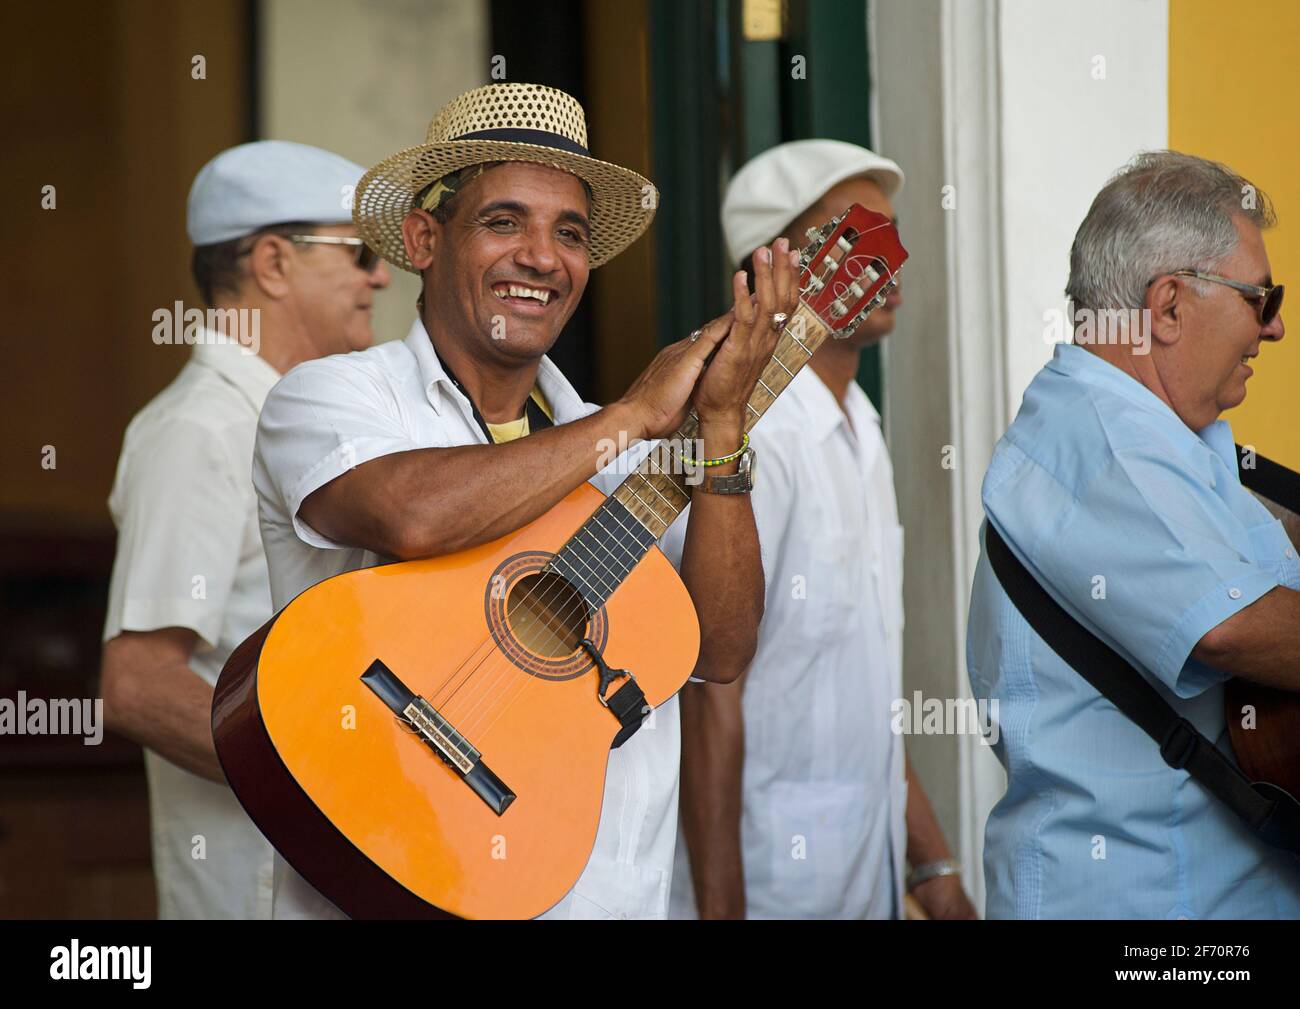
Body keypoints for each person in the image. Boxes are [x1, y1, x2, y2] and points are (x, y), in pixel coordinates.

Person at [250, 82, 799, 919]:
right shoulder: (331, 398)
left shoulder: (621, 459)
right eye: (504, 221)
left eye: (569, 234)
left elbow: (719, 650)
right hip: (399, 883)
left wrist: (720, 426)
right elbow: (414, 516)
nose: (542, 258)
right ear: (423, 238)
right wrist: (632, 418)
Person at [967, 150, 1300, 918]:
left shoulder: (1162, 437)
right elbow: (1231, 625)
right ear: (1170, 305)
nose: (1275, 326)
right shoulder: (1101, 441)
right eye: (1261, 296)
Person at [672, 140, 975, 919]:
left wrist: (933, 868)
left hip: (861, 876)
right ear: (766, 271)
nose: (885, 259)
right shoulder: (747, 438)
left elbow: (862, 687)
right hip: (769, 883)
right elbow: (709, 691)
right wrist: (720, 908)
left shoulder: (862, 428)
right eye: (851, 239)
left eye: (890, 236)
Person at [100, 140, 391, 918]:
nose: (382, 276)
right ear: (272, 263)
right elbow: (134, 684)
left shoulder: (280, 420)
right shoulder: (199, 428)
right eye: (359, 252)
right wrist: (326, 788)